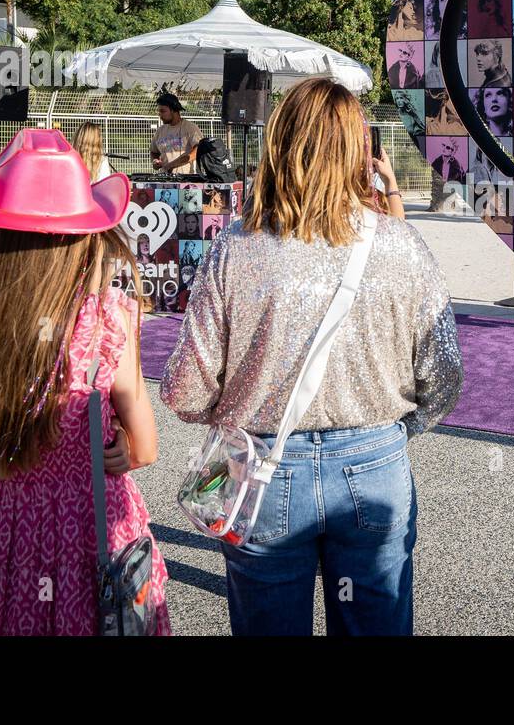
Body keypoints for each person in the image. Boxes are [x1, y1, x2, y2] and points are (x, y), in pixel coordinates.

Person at [161, 77, 462, 636]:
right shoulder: (403, 246)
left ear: (280, 146)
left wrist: (243, 397)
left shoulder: (237, 248)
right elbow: (443, 376)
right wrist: (396, 428)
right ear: (360, 150)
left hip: (262, 469)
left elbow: (185, 390)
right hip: (374, 462)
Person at [0, 129, 169, 635]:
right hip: (89, 527)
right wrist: (121, 448)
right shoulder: (110, 320)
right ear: (82, 234)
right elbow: (147, 447)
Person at [150, 92, 204, 174]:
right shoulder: (160, 131)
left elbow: (198, 150)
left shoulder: (190, 128)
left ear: (173, 110)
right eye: (159, 112)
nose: (160, 115)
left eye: (163, 111)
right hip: (164, 179)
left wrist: (172, 165)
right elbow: (154, 152)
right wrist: (155, 161)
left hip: (185, 180)